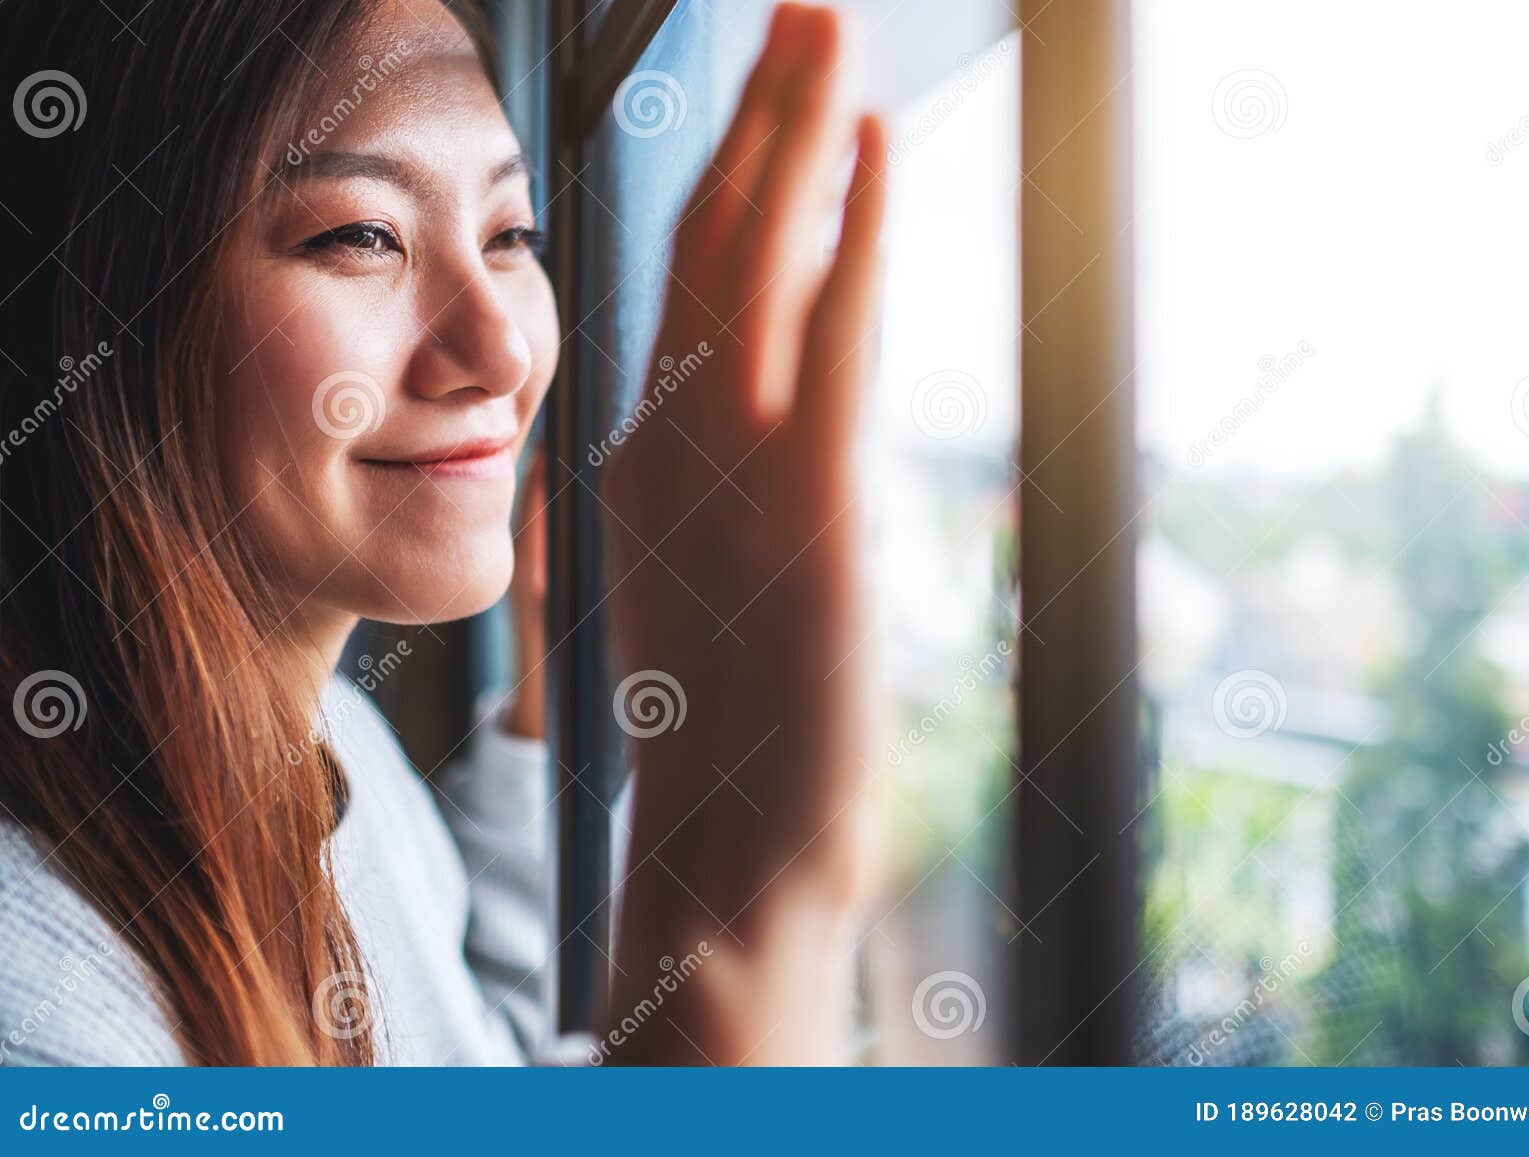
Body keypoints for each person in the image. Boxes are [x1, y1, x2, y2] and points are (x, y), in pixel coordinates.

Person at [0, 0, 884, 1065]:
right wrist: (739, 905)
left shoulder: (333, 751)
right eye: (363, 236)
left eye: (511, 235)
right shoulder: (38, 998)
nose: (502, 350)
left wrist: (546, 711)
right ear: (93, 310)